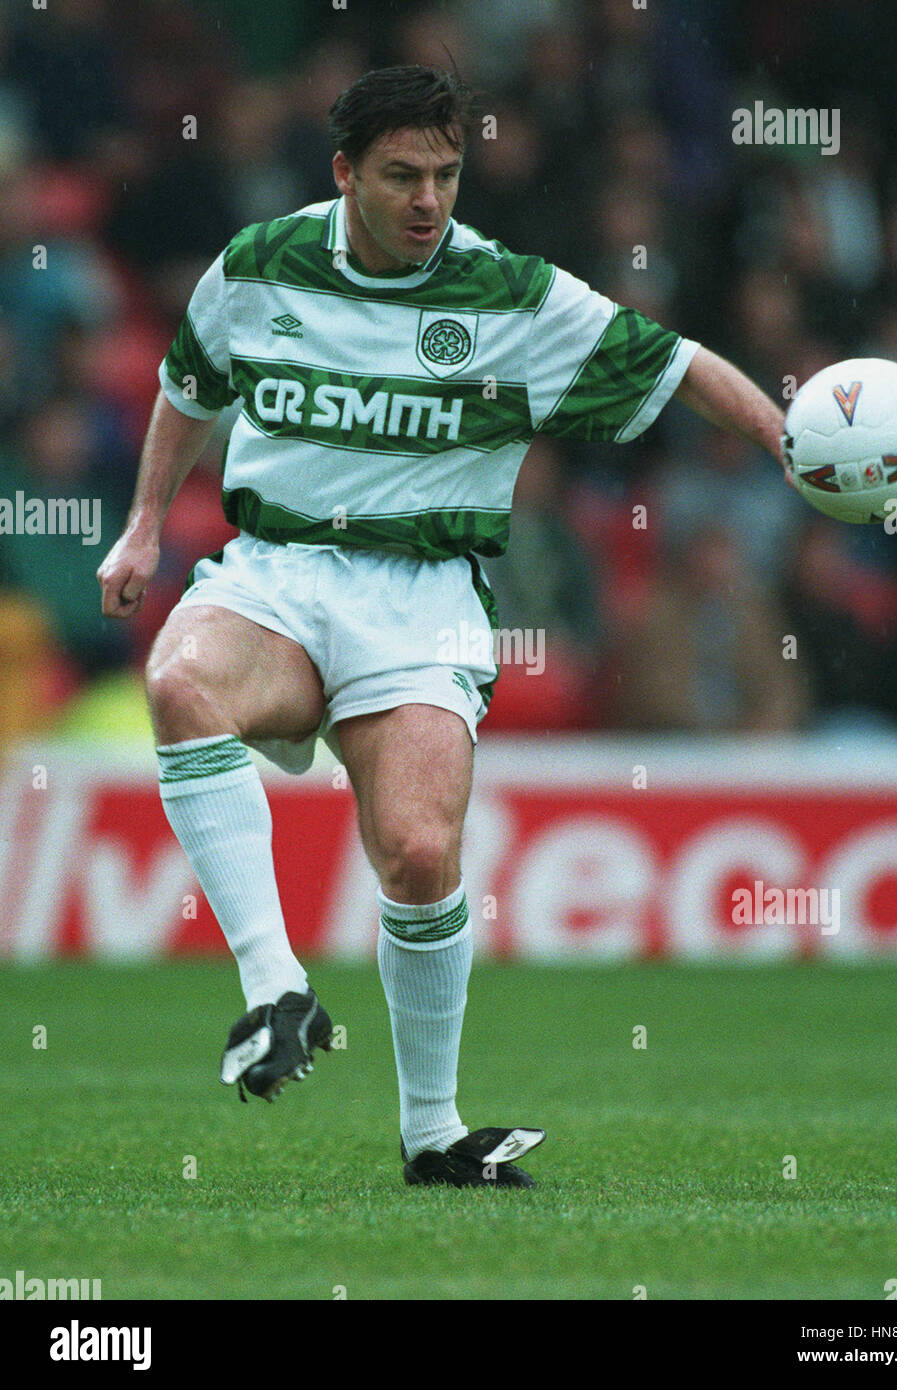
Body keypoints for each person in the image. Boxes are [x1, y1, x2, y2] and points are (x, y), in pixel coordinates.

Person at [97, 66, 786, 1188]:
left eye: (447, 175)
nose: (430, 200)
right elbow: (188, 381)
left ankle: (430, 1132)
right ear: (344, 175)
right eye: (403, 176)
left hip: (420, 598)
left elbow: (680, 365)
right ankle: (277, 989)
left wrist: (786, 432)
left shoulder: (510, 295)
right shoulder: (261, 264)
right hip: (278, 570)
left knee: (418, 854)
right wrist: (138, 527)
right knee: (180, 680)